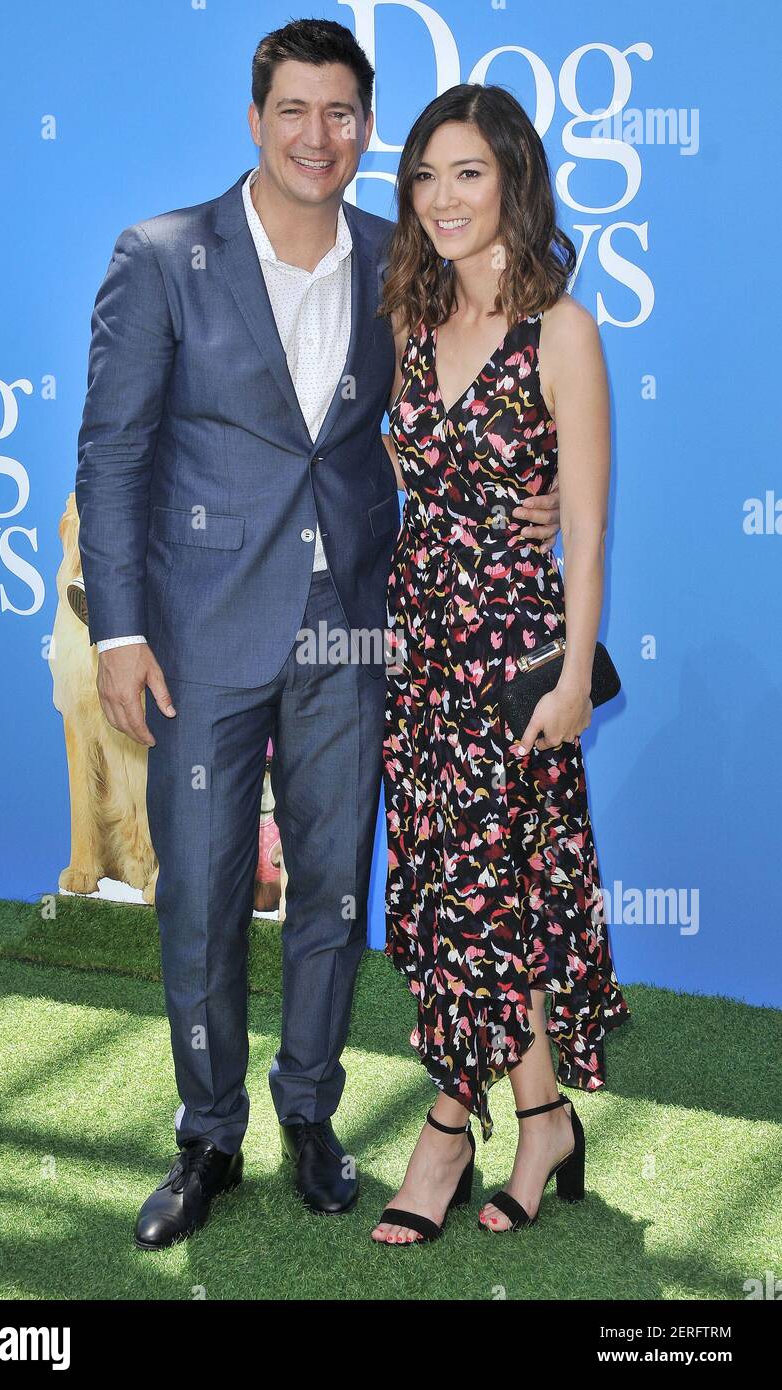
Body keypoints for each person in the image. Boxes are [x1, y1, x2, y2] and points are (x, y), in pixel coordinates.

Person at [75, 20, 560, 1251]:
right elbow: (115, 452)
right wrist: (120, 630)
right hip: (195, 641)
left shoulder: (404, 255)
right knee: (199, 898)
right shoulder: (164, 254)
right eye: (293, 110)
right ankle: (205, 1134)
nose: (317, 135)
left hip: (355, 635)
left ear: (365, 128)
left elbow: (501, 364)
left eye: (342, 113)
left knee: (336, 893)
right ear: (254, 118)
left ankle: (308, 1113)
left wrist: (538, 483)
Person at [372, 83, 631, 1246]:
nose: (440, 198)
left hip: (513, 662)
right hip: (421, 650)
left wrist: (574, 679)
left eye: (466, 173)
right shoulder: (408, 321)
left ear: (511, 182)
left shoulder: (561, 331)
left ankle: (445, 1123)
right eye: (424, 176)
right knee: (459, 896)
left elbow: (583, 528)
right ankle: (542, 1116)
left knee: (495, 896)